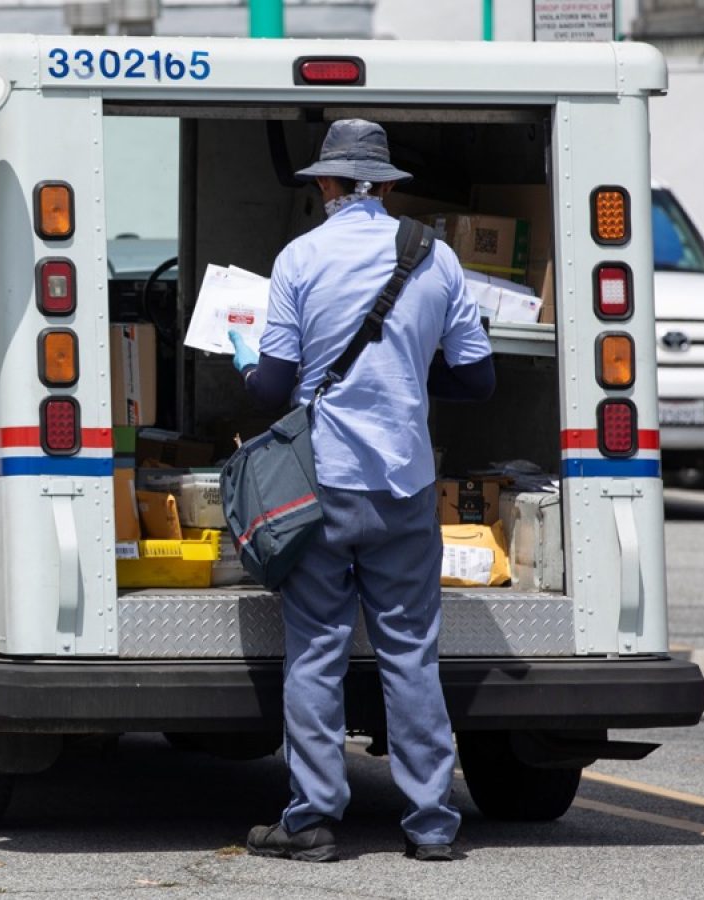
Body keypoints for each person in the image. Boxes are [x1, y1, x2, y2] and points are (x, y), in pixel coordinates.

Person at [226, 119, 495, 864]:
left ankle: (310, 819)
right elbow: (478, 377)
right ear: (388, 186)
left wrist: (246, 363)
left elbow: (274, 386)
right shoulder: (436, 260)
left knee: (316, 650)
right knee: (412, 654)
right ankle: (432, 823)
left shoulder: (300, 258)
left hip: (323, 487)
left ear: (326, 186)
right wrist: (405, 374)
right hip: (406, 485)